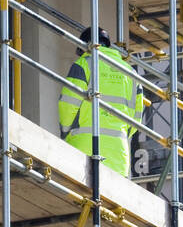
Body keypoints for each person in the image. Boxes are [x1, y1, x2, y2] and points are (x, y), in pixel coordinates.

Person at [57, 28, 143, 177]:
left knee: (80, 199)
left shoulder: (84, 64)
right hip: (118, 154)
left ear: (85, 46)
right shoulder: (131, 74)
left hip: (84, 147)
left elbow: (68, 103)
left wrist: (65, 131)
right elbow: (136, 119)